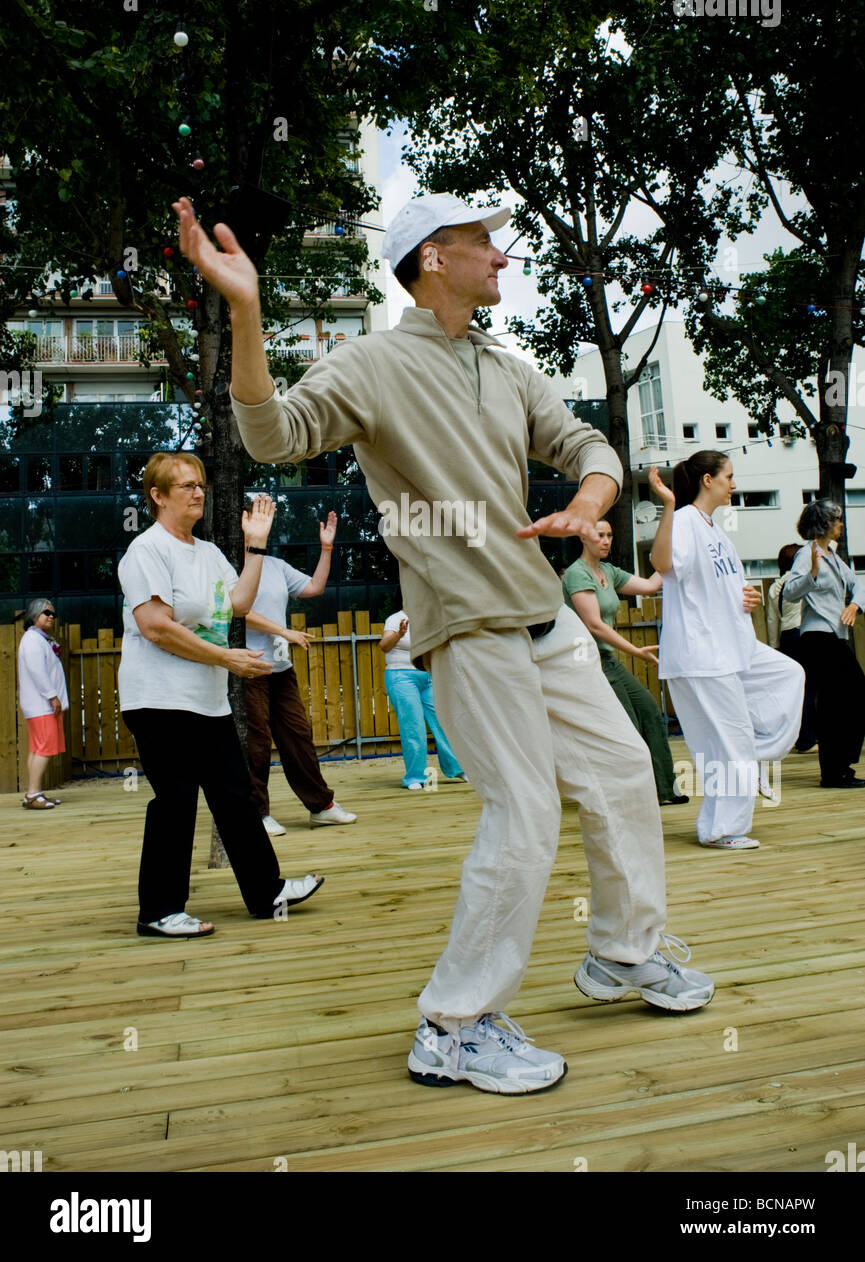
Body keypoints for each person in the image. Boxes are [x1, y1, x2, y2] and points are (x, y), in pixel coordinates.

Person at [174, 189, 714, 1097]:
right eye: (482, 244)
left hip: (541, 616)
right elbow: (271, 435)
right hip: (467, 625)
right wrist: (246, 312)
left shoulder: (505, 366)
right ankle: (453, 1026)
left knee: (624, 774)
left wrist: (587, 501)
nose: (500, 257)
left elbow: (585, 441)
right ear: (432, 258)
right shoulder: (374, 363)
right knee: (525, 812)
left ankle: (624, 952)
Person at [117, 452, 324, 938]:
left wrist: (256, 548)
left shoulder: (207, 552)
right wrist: (225, 659)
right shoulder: (146, 551)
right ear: (158, 495)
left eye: (201, 484)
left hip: (205, 700)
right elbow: (155, 628)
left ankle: (266, 891)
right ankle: (159, 911)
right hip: (158, 700)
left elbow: (237, 605)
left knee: (235, 796)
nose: (198, 492)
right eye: (186, 485)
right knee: (175, 800)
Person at [649, 454, 804, 850]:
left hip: (732, 645)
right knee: (726, 743)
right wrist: (668, 505)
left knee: (790, 675)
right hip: (702, 652)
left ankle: (752, 760)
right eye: (729, 477)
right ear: (707, 480)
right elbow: (662, 562)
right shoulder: (683, 521)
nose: (734, 484)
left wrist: (747, 596)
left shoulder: (716, 532)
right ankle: (721, 830)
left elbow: (728, 587)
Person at [243, 510, 357, 833]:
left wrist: (326, 549)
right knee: (257, 742)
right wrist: (285, 631)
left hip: (280, 668)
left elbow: (314, 587)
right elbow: (239, 610)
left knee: (298, 737)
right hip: (248, 666)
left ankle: (321, 806)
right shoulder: (229, 566)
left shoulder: (276, 566)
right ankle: (257, 815)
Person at [561, 522, 687, 805]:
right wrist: (636, 651)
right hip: (584, 662)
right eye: (599, 535)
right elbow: (594, 625)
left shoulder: (609, 572)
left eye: (609, 535)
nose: (606, 541)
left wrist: (675, 547)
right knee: (625, 725)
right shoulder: (576, 574)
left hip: (606, 660)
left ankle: (664, 789)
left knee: (650, 711)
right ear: (583, 536)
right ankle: (630, 794)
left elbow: (652, 585)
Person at [782, 501, 865, 788]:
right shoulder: (809, 554)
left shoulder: (833, 555)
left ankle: (839, 768)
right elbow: (790, 592)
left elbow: (859, 584)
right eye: (836, 520)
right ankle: (834, 771)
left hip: (835, 635)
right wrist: (812, 574)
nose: (841, 524)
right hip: (818, 637)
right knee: (843, 698)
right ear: (824, 524)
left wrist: (854, 605)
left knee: (842, 701)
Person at [379, 610, 464, 790]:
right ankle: (415, 777)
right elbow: (384, 646)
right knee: (413, 726)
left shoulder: (429, 616)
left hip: (428, 676)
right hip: (401, 675)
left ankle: (457, 768)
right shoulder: (395, 619)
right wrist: (399, 634)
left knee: (444, 722)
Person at [17, 598, 68, 810]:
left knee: (38, 749)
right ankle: (32, 793)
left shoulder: (39, 639)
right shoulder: (32, 640)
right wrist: (52, 696)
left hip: (41, 705)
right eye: (46, 612)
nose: (51, 617)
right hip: (42, 705)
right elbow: (38, 671)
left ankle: (34, 792)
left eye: (53, 614)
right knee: (44, 749)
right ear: (34, 615)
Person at [766, 543, 817, 752]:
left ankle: (801, 739)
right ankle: (810, 739)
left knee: (796, 692)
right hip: (805, 632)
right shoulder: (803, 581)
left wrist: (774, 647)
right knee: (812, 688)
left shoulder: (775, 587)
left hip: (787, 638)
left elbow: (772, 620)